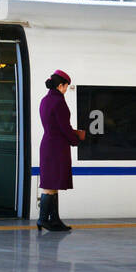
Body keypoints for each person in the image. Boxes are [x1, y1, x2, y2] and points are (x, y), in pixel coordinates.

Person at [37, 69, 84, 232]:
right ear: (60, 85)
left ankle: (54, 220)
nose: (66, 90)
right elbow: (64, 127)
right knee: (50, 185)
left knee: (53, 183)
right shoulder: (59, 102)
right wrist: (75, 139)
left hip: (48, 144)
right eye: (66, 86)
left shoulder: (45, 100)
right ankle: (43, 219)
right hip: (57, 146)